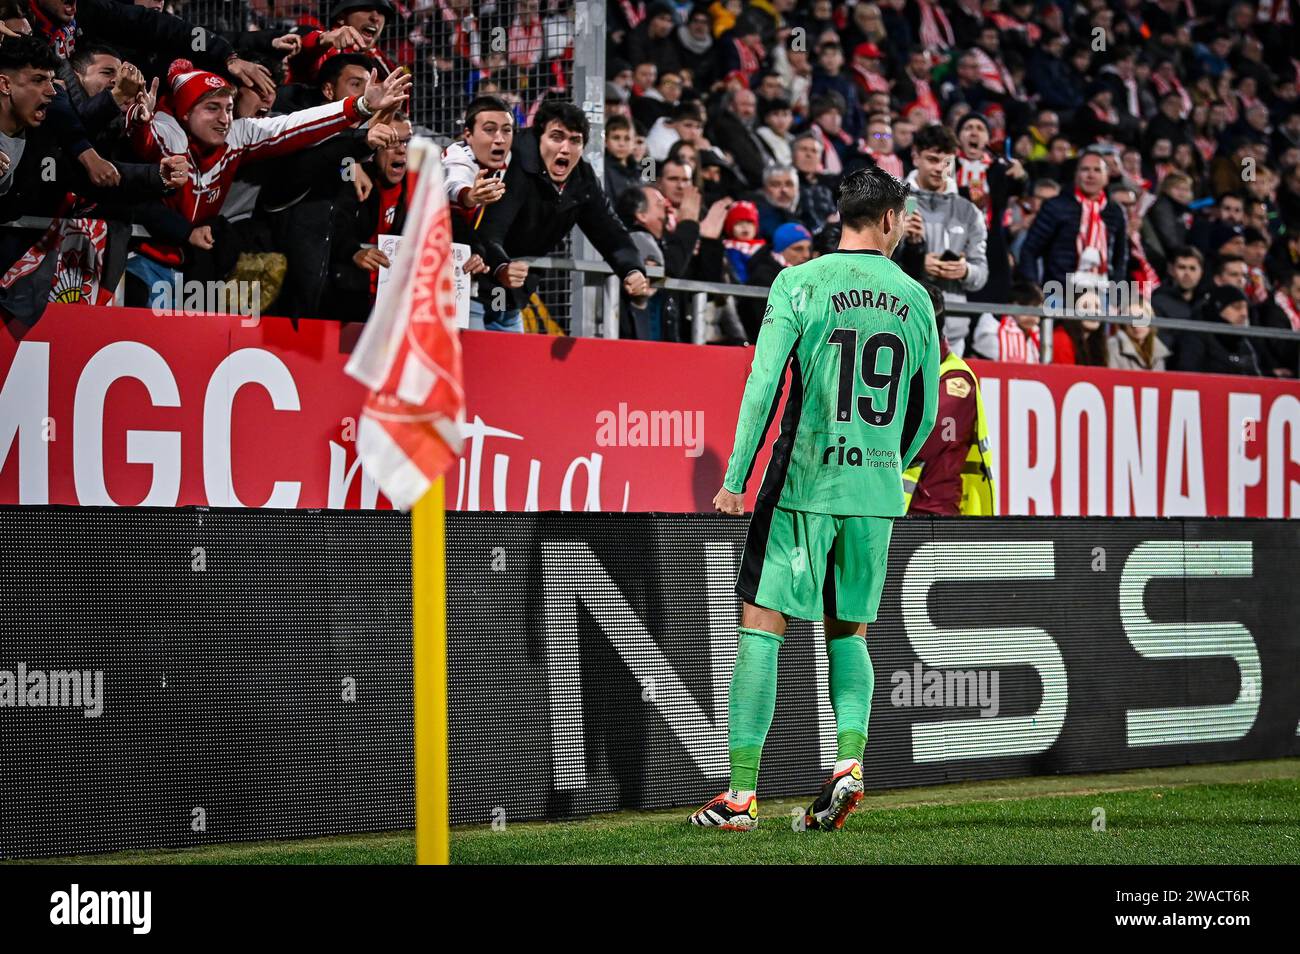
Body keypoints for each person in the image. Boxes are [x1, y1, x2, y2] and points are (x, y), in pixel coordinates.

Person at [691, 164, 939, 833]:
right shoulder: (916, 297)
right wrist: (886, 464)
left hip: (805, 479)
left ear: (844, 217)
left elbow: (764, 384)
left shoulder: (799, 281)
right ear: (888, 219)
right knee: (850, 629)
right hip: (875, 490)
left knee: (762, 622)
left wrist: (736, 479)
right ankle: (848, 762)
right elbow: (925, 411)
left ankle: (740, 797)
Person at [474, 99, 649, 332]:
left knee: (509, 353)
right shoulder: (510, 159)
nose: (565, 148)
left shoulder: (582, 180)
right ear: (539, 137)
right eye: (557, 137)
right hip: (470, 290)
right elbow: (487, 231)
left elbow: (611, 233)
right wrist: (501, 267)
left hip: (510, 299)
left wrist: (632, 269)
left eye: (575, 140)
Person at [895, 122, 989, 356]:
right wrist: (916, 263)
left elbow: (981, 273)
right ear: (915, 157)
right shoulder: (897, 202)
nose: (940, 168)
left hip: (952, 332)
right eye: (932, 159)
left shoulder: (968, 211)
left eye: (947, 162)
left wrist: (965, 270)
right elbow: (876, 261)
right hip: (902, 323)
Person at [903, 283, 995, 516]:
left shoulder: (957, 383)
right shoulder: (910, 370)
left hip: (932, 514)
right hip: (900, 510)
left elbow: (918, 438)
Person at [1107, 301, 1172, 371]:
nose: (1136, 325)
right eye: (1130, 319)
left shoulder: (1158, 349)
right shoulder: (1112, 346)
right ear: (1123, 325)